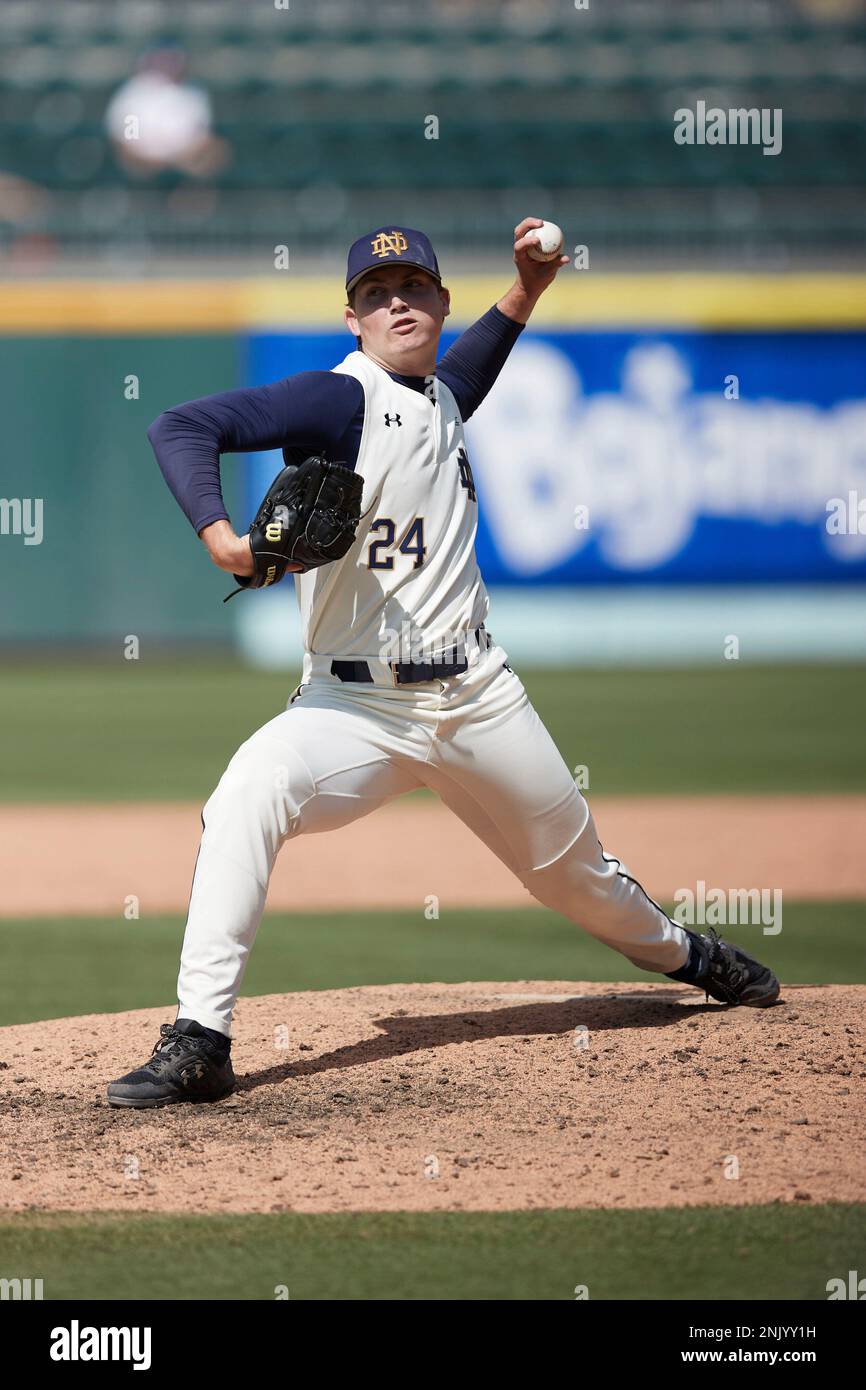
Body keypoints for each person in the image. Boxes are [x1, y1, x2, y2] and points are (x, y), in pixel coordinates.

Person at [107, 219, 779, 1108]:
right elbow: (181, 425)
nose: (397, 303)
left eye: (413, 287)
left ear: (439, 303)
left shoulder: (443, 397)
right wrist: (224, 539)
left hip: (478, 698)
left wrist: (529, 290)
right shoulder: (333, 400)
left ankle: (690, 956)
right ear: (352, 319)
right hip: (351, 710)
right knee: (245, 795)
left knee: (579, 883)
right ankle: (201, 1038)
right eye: (377, 295)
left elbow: (468, 371)